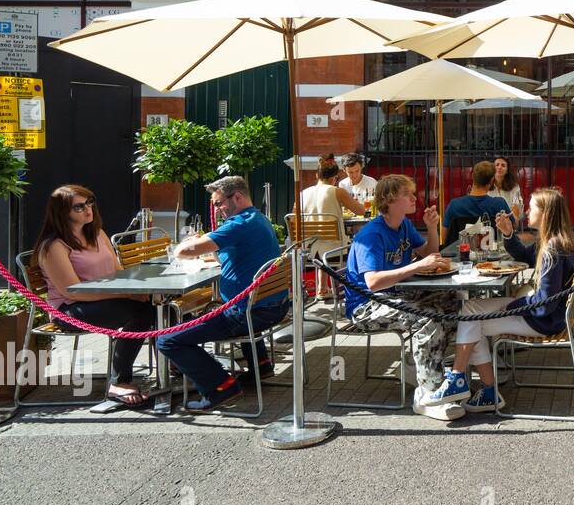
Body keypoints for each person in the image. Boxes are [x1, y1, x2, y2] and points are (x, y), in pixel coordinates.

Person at [423, 189, 574, 415]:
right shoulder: (556, 241)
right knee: (469, 310)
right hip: (545, 314)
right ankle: (477, 387)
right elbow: (524, 256)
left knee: (470, 320)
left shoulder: (552, 249)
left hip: (543, 320)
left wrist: (513, 305)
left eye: (532, 207)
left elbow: (545, 303)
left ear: (545, 213)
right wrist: (508, 234)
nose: (527, 211)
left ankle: (472, 385)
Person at [160, 176, 287, 412]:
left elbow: (185, 251)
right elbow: (229, 254)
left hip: (248, 314)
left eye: (219, 204)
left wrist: (187, 242)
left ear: (236, 197)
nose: (217, 211)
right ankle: (261, 366)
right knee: (203, 313)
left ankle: (221, 386)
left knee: (167, 340)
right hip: (272, 306)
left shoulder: (238, 224)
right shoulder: (258, 218)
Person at [33, 185, 157, 408]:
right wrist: (126, 295)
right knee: (141, 313)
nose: (87, 209)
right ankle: (119, 382)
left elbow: (117, 271)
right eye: (79, 207)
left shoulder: (98, 234)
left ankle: (174, 367)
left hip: (103, 299)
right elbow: (72, 291)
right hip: (69, 309)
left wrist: (136, 289)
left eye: (89, 202)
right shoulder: (54, 246)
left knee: (158, 304)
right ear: (62, 212)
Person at [343, 175, 455, 411]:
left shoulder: (403, 224)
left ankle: (419, 365)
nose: (415, 198)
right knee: (429, 317)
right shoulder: (371, 235)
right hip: (366, 306)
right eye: (408, 194)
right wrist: (417, 266)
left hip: (396, 295)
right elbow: (372, 282)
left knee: (454, 303)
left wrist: (432, 228)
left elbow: (429, 254)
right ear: (390, 199)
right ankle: (429, 392)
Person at [301, 154, 364, 300]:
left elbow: (293, 217)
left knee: (321, 241)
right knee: (357, 246)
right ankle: (355, 291)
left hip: (307, 251)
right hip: (334, 251)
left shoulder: (302, 193)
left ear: (317, 175)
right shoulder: (337, 191)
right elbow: (360, 211)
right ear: (335, 178)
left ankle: (322, 288)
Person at [441, 160, 511, 247]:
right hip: (493, 255)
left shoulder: (454, 205)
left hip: (461, 255)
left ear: (472, 176)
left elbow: (444, 237)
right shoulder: (500, 203)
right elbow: (511, 229)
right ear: (492, 180)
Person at [491, 155, 524, 223]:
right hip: (490, 222)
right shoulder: (485, 186)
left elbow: (517, 206)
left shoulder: (514, 187)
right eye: (497, 165)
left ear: (507, 171)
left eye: (503, 165)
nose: (499, 167)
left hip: (508, 222)